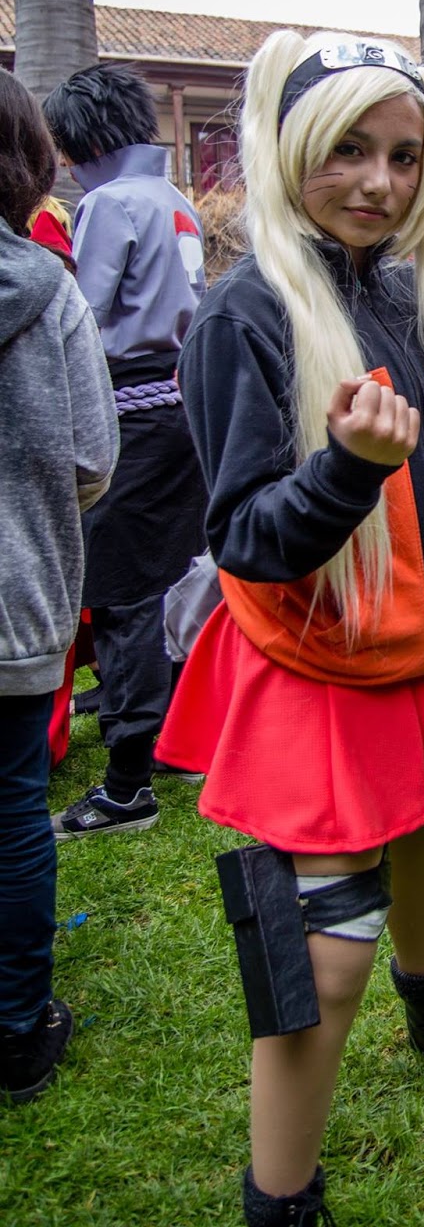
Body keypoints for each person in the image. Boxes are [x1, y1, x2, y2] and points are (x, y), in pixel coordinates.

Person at [154, 32, 424, 1227]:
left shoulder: (408, 284)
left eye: (403, 156)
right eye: (349, 153)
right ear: (289, 151)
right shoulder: (245, 313)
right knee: (324, 951)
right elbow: (247, 539)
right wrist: (346, 470)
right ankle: (281, 1200)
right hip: (315, 665)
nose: (379, 181)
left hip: (415, 648)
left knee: (423, 832)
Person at [42, 65, 208, 837]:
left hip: (132, 410)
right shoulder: (175, 199)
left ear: (86, 142)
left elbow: (83, 313)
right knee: (174, 577)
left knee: (122, 591)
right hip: (181, 408)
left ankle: (127, 781)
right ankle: (177, 740)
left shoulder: (108, 203)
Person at [0, 70, 118, 1102]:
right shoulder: (49, 288)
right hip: (17, 597)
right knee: (10, 812)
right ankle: (17, 1026)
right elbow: (92, 453)